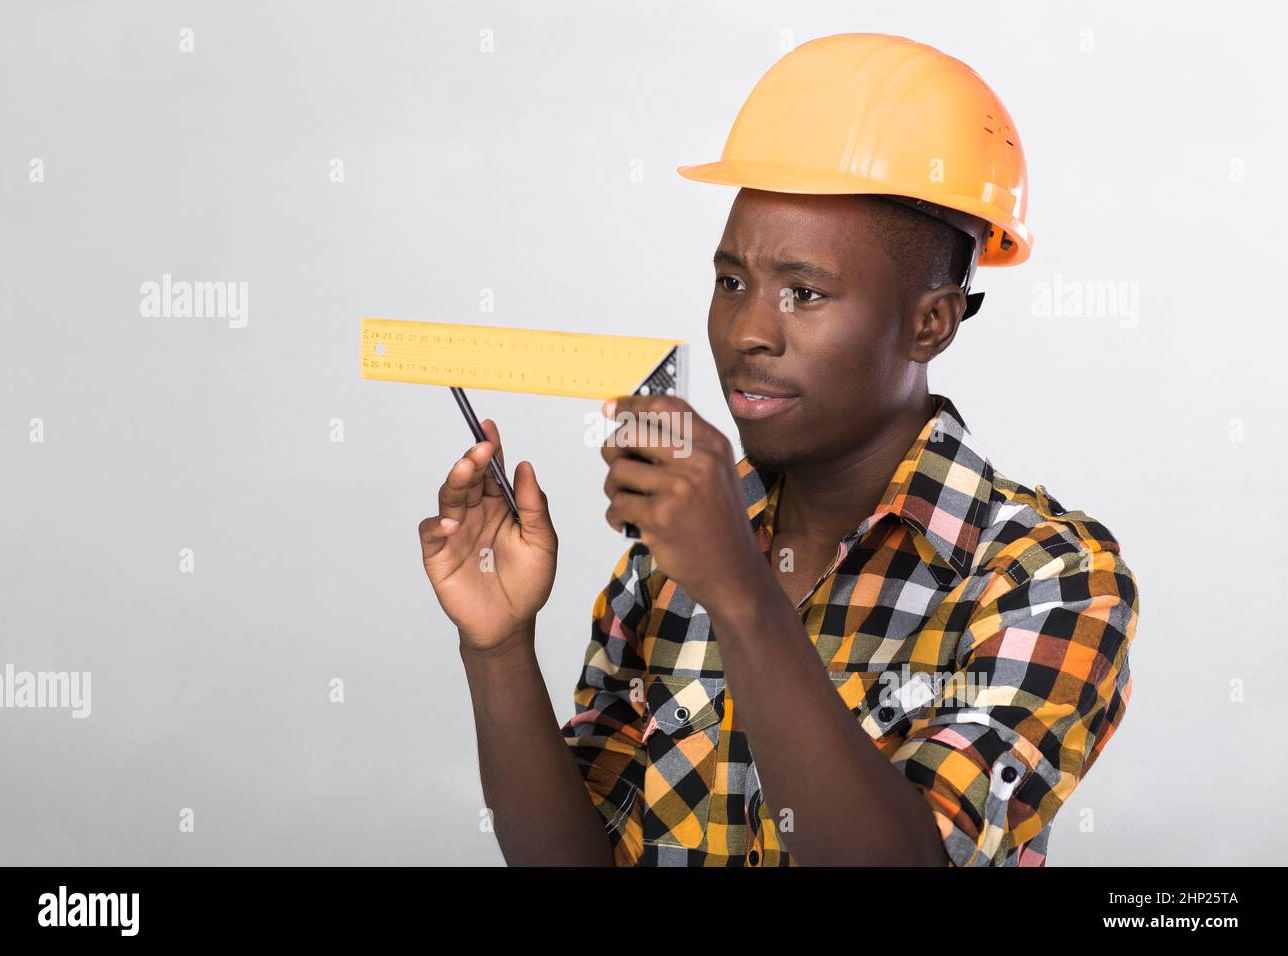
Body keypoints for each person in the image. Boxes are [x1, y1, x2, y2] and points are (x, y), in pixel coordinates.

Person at [418, 33, 1139, 866]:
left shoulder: (1048, 577)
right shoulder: (665, 559)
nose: (747, 333)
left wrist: (740, 590)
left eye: (805, 293)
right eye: (732, 283)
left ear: (929, 322)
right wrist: (499, 647)